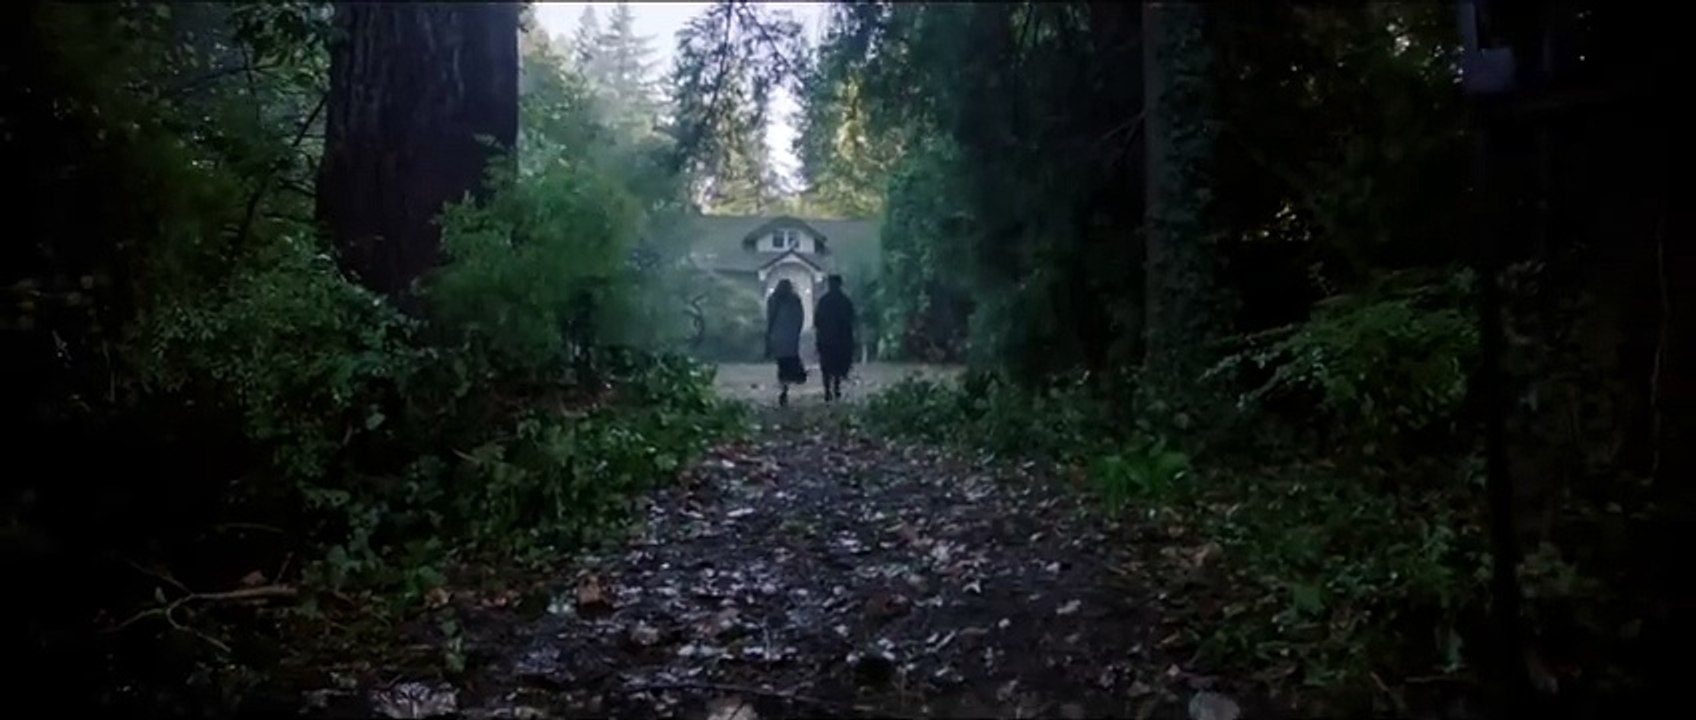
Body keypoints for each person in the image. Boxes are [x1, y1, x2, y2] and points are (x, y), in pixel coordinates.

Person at [813, 274, 857, 402]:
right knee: (838, 364)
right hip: (841, 339)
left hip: (826, 338)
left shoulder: (823, 301)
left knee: (826, 366)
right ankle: (836, 387)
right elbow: (852, 319)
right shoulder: (845, 301)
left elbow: (817, 321)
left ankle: (827, 390)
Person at [765, 279, 807, 406]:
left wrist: (769, 335)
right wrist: (797, 331)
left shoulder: (773, 300)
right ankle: (786, 386)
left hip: (778, 336)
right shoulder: (795, 300)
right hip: (791, 337)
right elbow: (800, 317)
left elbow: (770, 318)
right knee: (790, 361)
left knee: (782, 364)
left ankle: (784, 388)